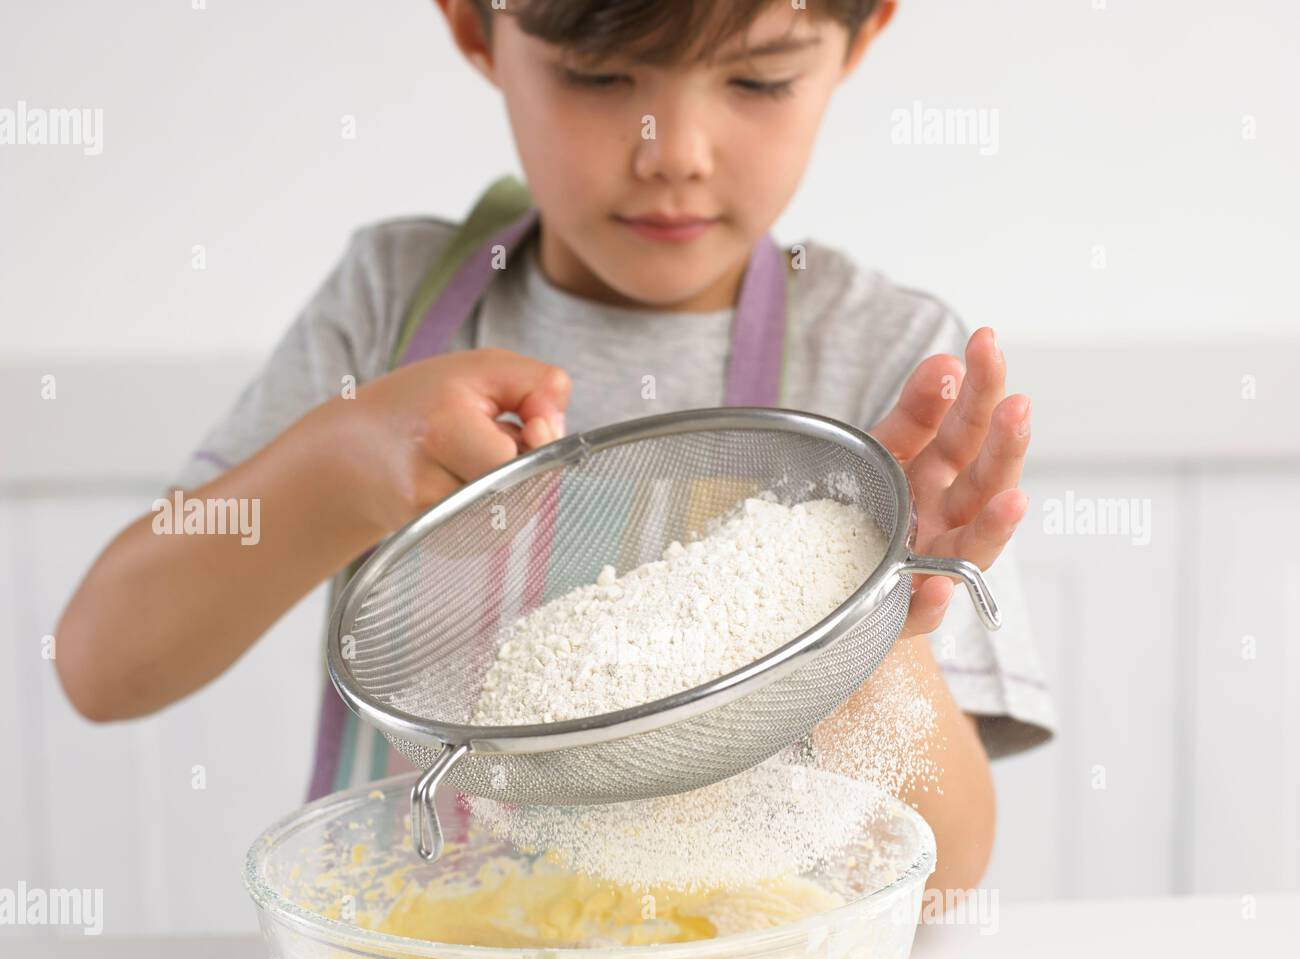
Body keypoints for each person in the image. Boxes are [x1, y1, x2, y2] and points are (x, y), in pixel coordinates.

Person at [55, 0, 1056, 894]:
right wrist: (339, 464)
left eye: (757, 78)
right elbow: (104, 667)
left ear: (860, 36)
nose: (675, 150)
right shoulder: (389, 305)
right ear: (472, 27)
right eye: (599, 76)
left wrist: (865, 622)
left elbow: (943, 879)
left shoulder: (878, 367)